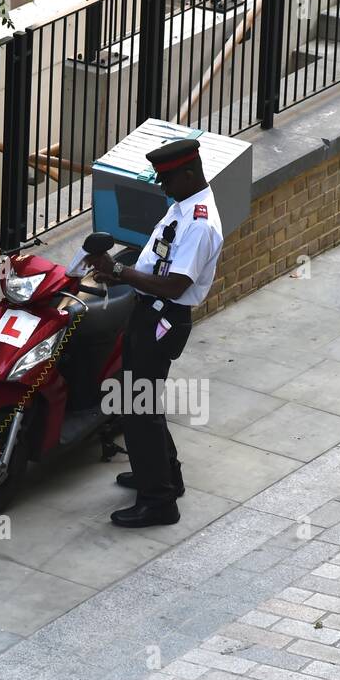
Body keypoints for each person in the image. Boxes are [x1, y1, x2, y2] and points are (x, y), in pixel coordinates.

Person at [86, 138, 224, 528]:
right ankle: (163, 475)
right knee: (140, 403)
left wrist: (118, 273)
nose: (162, 187)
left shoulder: (199, 223)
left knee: (137, 409)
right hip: (150, 313)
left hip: (164, 316)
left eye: (167, 179)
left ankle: (159, 502)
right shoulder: (182, 207)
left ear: (189, 173)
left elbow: (175, 285)